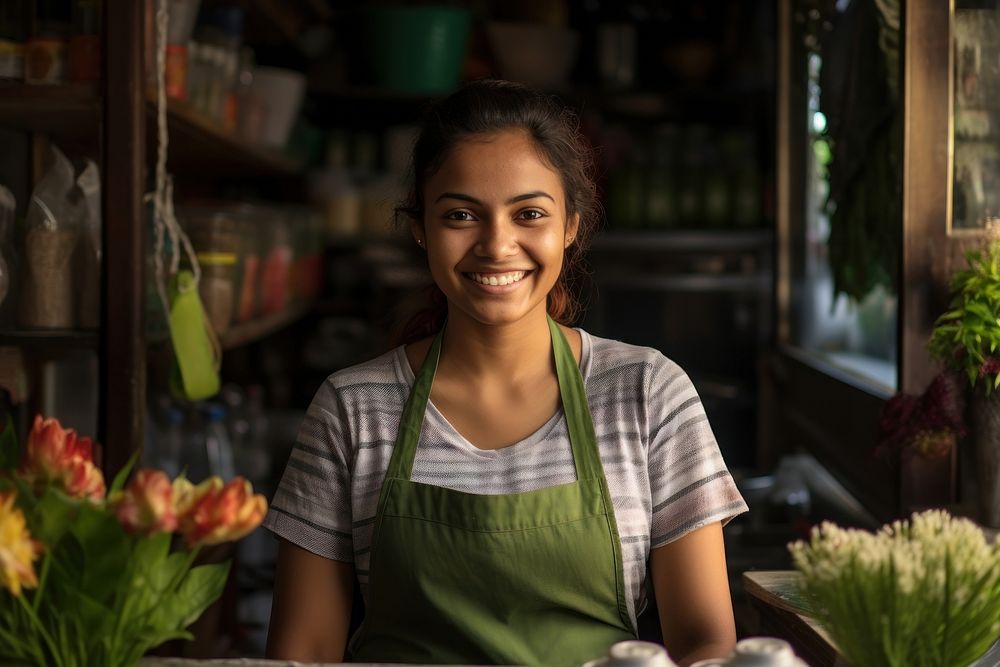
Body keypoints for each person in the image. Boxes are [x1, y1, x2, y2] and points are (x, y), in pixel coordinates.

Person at [264, 79, 748, 667]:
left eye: (529, 214)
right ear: (420, 227)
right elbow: (303, 653)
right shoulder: (352, 409)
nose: (497, 245)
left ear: (571, 224)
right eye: (462, 214)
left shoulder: (648, 394)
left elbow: (705, 644)